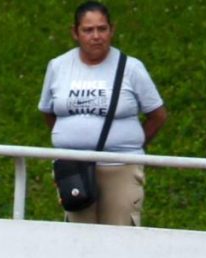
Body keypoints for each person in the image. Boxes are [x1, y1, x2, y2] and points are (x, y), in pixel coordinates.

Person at [38, 2, 167, 226]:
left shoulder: (131, 68)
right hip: (74, 168)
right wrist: (68, 139)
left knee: (118, 234)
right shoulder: (58, 66)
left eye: (102, 28)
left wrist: (133, 144)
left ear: (112, 30)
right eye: (88, 30)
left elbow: (158, 115)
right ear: (75, 33)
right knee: (79, 237)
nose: (96, 36)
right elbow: (48, 112)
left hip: (120, 167)